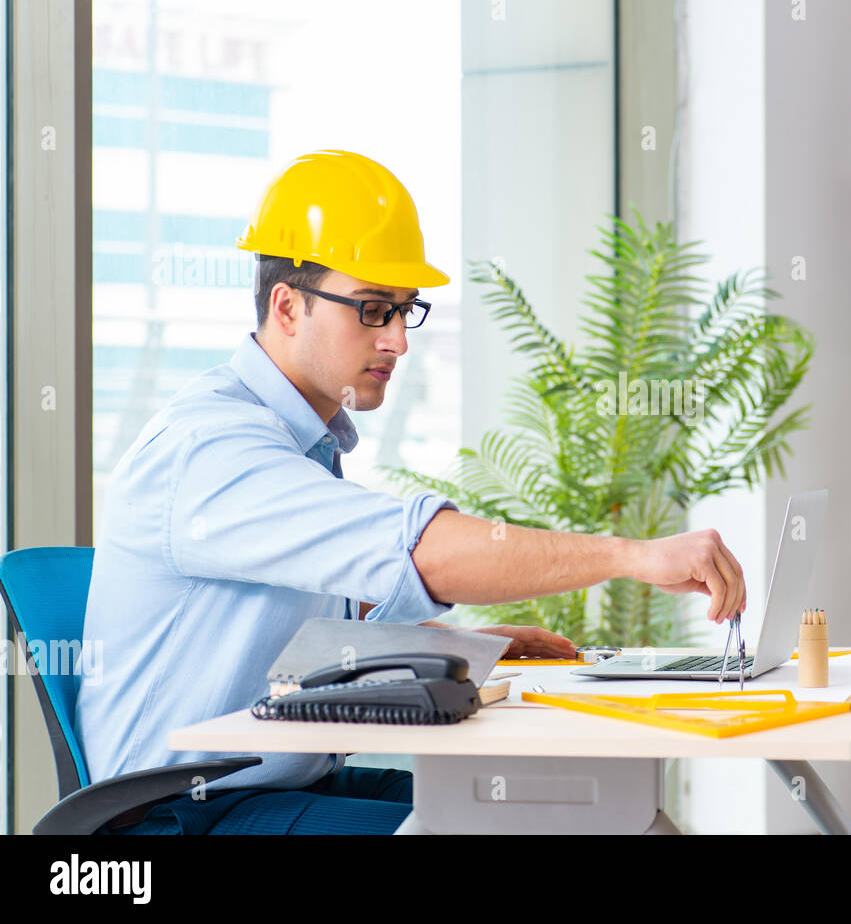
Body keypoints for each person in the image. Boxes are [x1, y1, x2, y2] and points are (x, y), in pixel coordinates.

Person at [77, 150, 746, 834]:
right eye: (372, 309)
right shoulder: (216, 449)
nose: (397, 339)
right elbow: (424, 551)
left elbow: (291, 638)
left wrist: (458, 642)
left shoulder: (298, 444)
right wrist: (635, 556)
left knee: (594, 815)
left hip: (275, 781)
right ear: (287, 306)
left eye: (404, 310)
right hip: (181, 812)